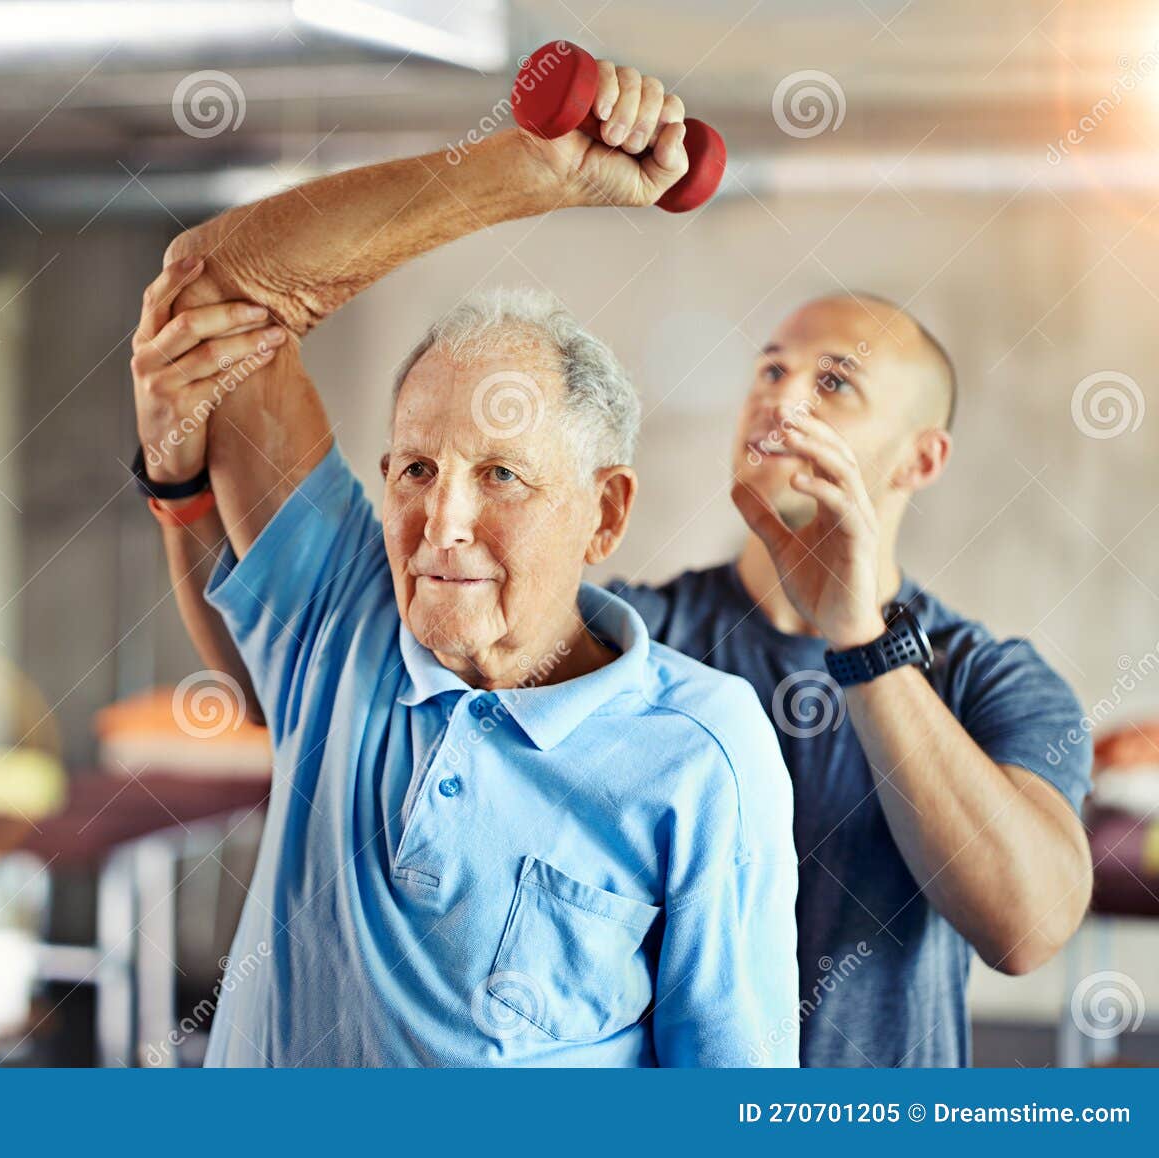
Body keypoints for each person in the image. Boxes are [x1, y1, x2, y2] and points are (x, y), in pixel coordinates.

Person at [130, 61, 799, 1066]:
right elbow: (215, 287)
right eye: (414, 469)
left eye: (499, 476)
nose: (440, 522)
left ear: (604, 512)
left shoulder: (699, 752)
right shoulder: (350, 617)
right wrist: (529, 170)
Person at [606, 291, 1093, 1066]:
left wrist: (860, 638)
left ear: (919, 458)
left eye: (833, 382)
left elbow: (1027, 929)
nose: (780, 399)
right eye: (770, 368)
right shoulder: (631, 636)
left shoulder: (991, 679)